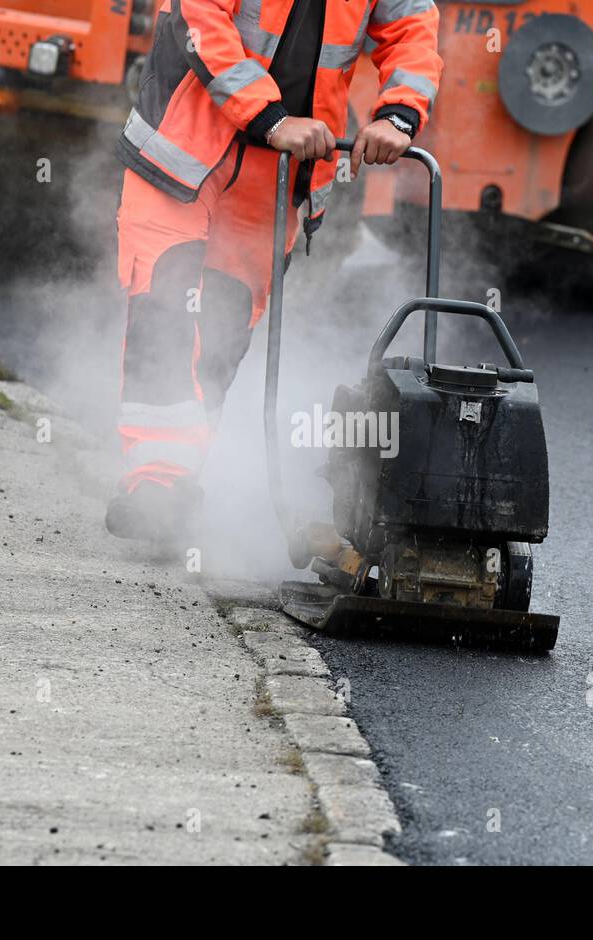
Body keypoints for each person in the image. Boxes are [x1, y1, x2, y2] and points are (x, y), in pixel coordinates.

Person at [105, 0, 442, 542]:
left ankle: (177, 479)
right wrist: (271, 118)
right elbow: (202, 22)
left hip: (277, 177)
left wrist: (399, 113)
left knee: (222, 328)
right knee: (165, 307)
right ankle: (155, 484)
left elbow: (412, 29)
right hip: (182, 150)